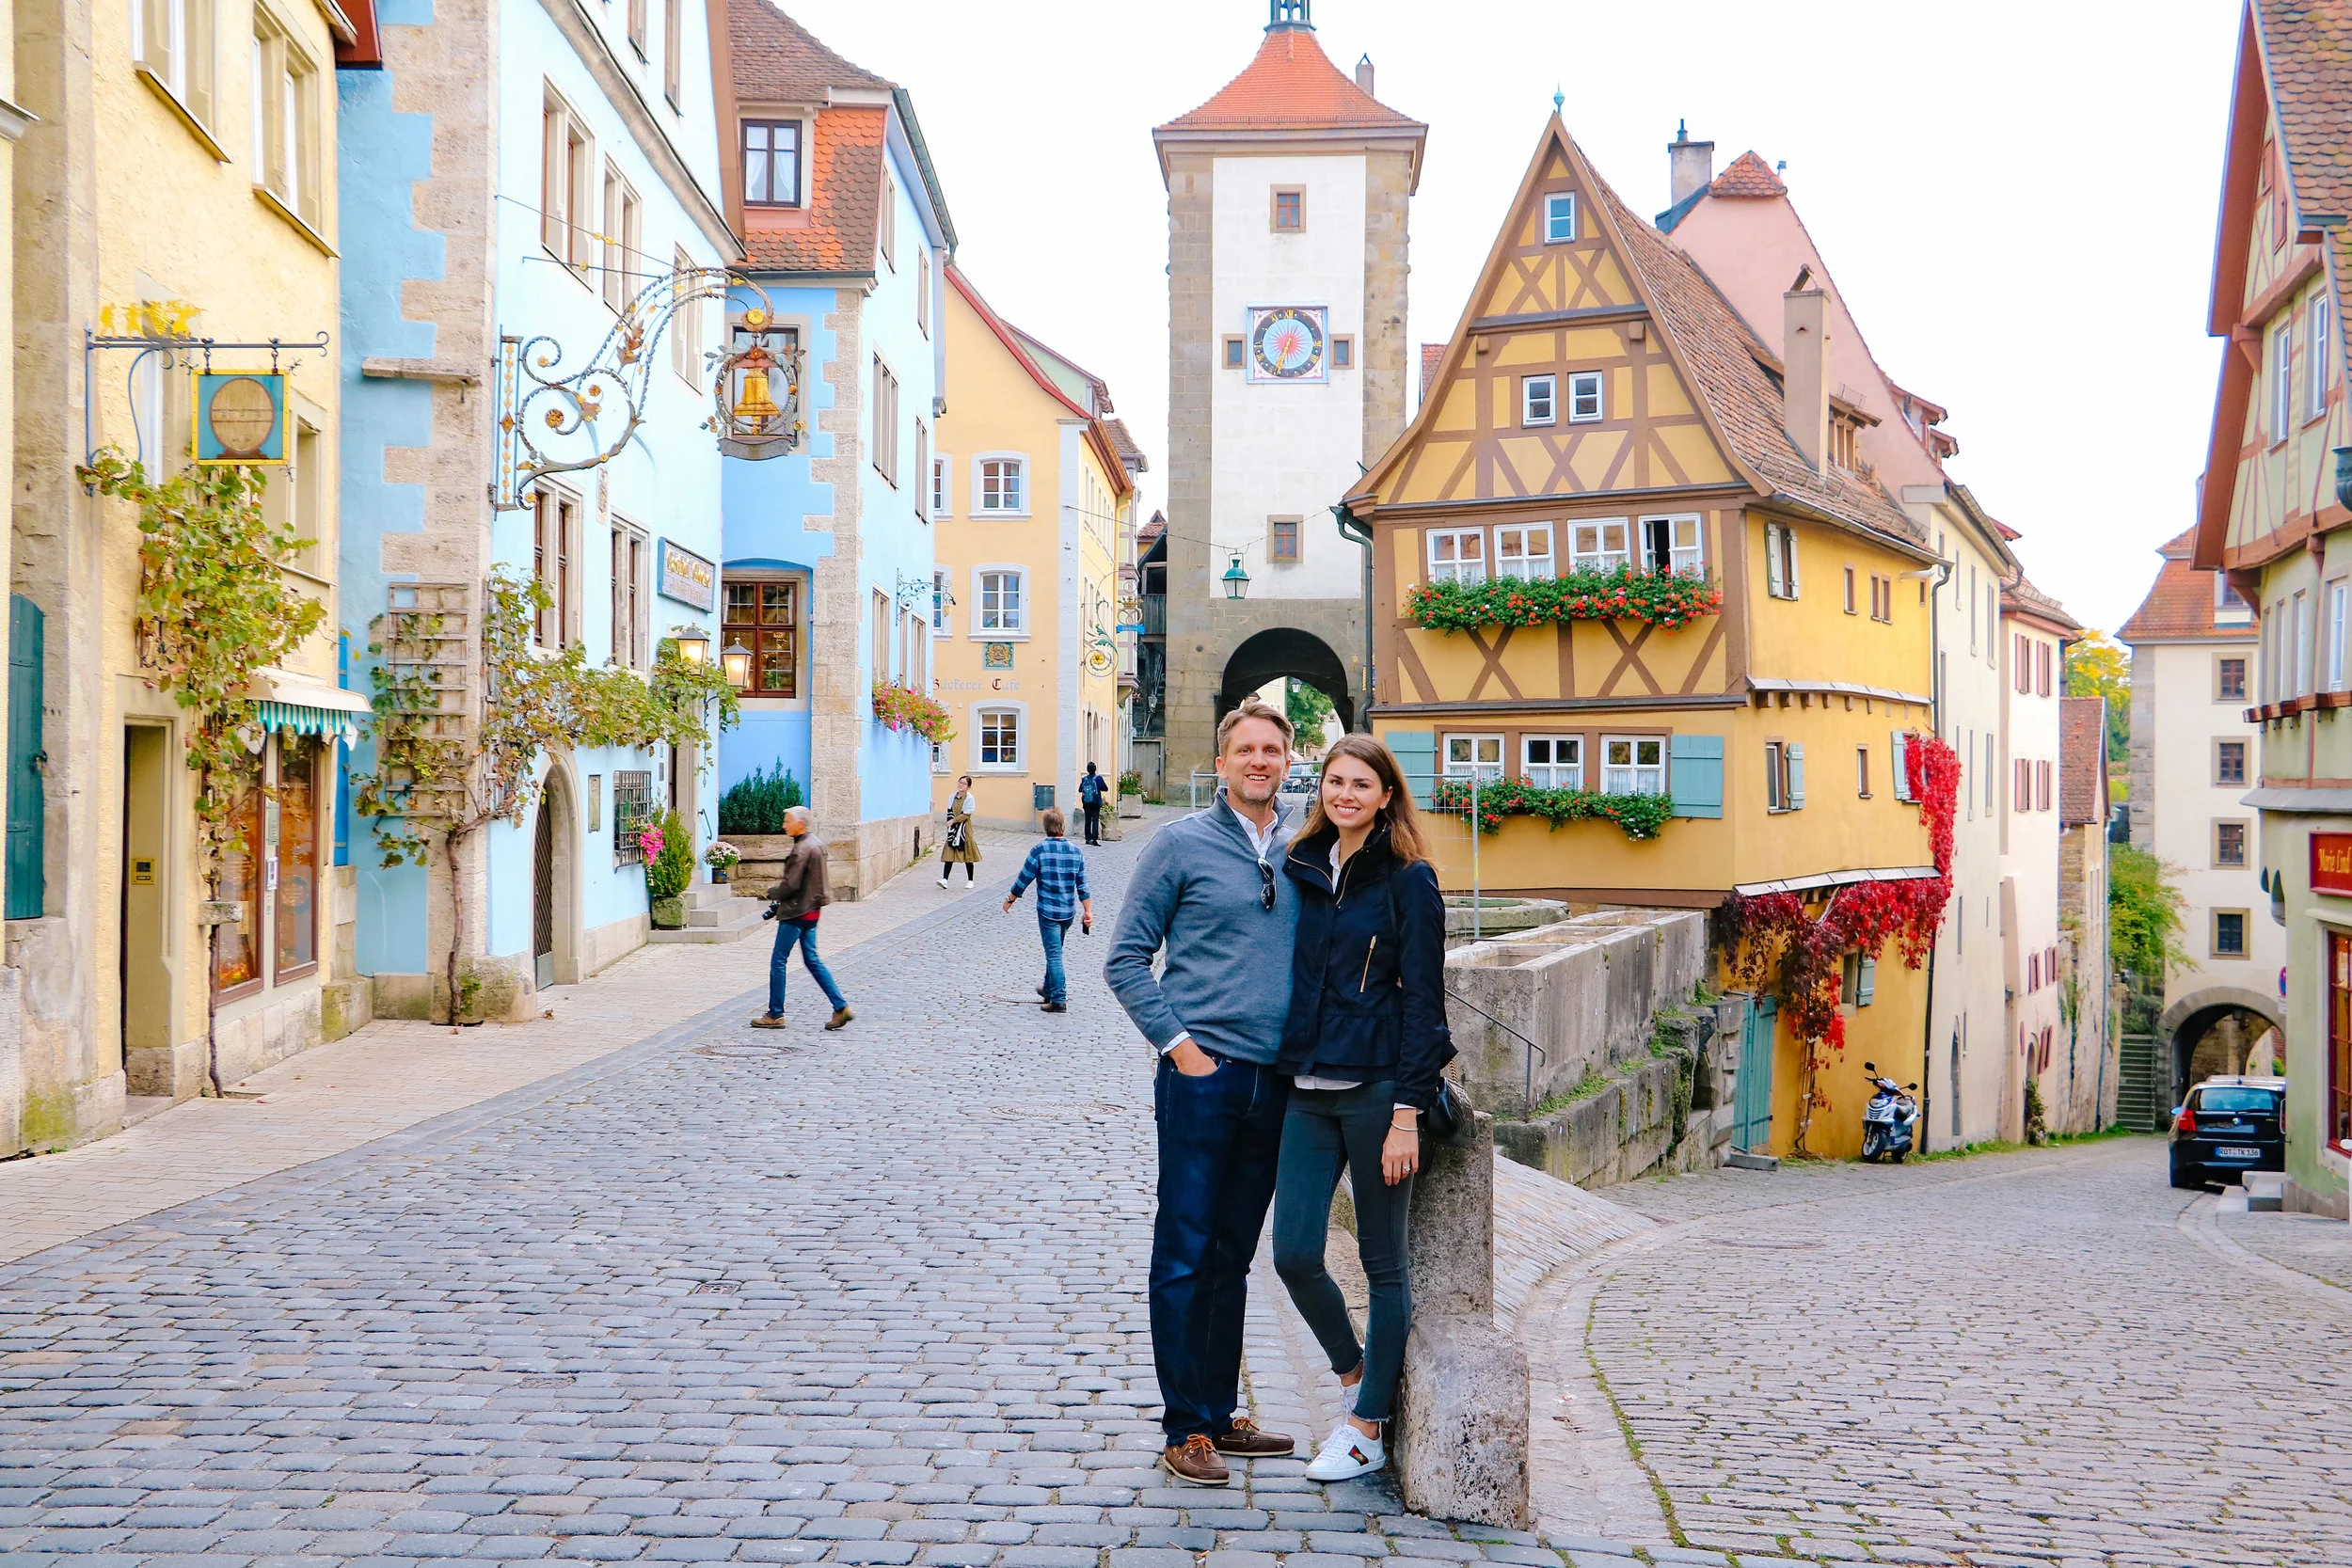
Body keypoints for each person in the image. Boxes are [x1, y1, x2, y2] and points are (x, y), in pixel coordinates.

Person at [1105, 696, 1301, 1488]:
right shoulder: (1177, 845)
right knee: (1184, 1250)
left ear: (1289, 760)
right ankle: (1183, 1425)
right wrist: (1181, 1049)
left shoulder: (1306, 843)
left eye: (1272, 750)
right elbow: (1123, 959)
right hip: (1202, 1075)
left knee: (1232, 1254)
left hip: (1277, 1081)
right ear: (1220, 763)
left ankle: (1221, 1413)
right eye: (1244, 749)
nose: (1259, 760)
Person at [1270, 736, 1452, 1481]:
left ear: (1385, 796)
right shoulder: (1304, 865)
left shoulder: (1410, 879)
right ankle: (1355, 1376)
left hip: (1378, 1092)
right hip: (1305, 1089)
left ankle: (1367, 1427)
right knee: (1292, 1253)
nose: (1345, 794)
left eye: (1361, 784)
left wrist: (1407, 1113)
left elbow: (1426, 1007)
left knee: (1383, 1262)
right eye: (1334, 781)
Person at [750, 806, 853, 1032]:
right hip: (813, 911)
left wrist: (773, 893)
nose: (784, 825)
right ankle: (840, 1006)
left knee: (779, 960)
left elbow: (792, 885)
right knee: (813, 960)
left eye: (788, 821)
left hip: (796, 911)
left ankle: (775, 1014)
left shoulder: (801, 849)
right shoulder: (817, 843)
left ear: (801, 824)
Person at [1003, 808, 1092, 1012]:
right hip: (1068, 912)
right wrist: (1088, 911)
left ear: (1046, 828)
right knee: (1055, 951)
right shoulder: (1075, 851)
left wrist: (1010, 899)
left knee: (1054, 955)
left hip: (1048, 912)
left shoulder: (1039, 850)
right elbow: (1083, 886)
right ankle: (1048, 990)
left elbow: (1024, 878)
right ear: (1063, 826)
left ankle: (1058, 1000)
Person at [939, 777, 981, 888]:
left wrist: (953, 821)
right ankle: (945, 879)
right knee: (949, 853)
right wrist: (950, 823)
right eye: (960, 782)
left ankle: (970, 880)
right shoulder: (951, 797)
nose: (961, 785)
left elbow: (966, 814)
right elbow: (950, 811)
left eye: (964, 783)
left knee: (968, 854)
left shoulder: (969, 798)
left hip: (964, 829)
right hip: (953, 830)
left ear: (968, 787)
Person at [1077, 762, 1109, 846]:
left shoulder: (1084, 779)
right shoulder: (1098, 778)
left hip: (1086, 803)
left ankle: (1087, 838)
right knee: (1095, 820)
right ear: (1095, 769)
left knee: (1087, 820)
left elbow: (1080, 789)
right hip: (1096, 802)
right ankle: (1094, 839)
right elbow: (1105, 788)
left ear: (1087, 770)